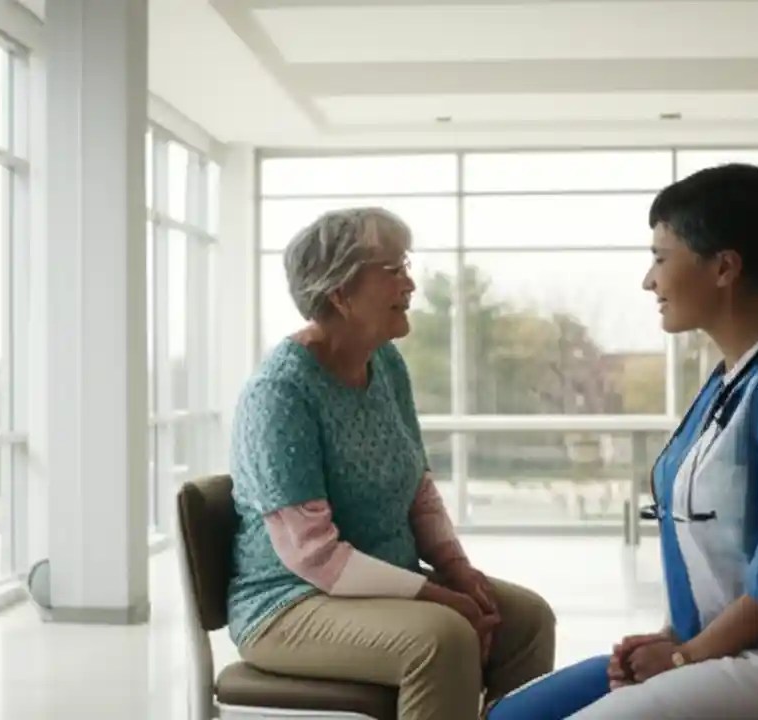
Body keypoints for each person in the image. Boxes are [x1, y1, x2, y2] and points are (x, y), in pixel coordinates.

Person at [487, 164, 758, 720]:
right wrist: (667, 639)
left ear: (723, 267)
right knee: (511, 717)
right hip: (724, 652)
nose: (648, 281)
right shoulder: (730, 381)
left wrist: (683, 656)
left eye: (659, 257)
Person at [226, 207, 556, 720]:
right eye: (393, 270)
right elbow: (314, 557)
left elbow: (417, 486)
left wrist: (456, 571)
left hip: (380, 586)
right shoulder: (281, 391)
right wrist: (436, 597)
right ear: (339, 292)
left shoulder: (385, 363)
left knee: (527, 618)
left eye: (407, 266)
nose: (410, 283)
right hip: (288, 603)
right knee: (442, 638)